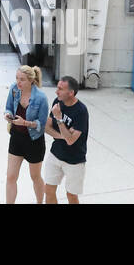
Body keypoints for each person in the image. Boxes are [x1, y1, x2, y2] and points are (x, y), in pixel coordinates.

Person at [4, 65, 50, 204]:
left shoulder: (41, 98)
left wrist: (25, 123)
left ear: (31, 80)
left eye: (22, 79)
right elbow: (8, 107)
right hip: (16, 138)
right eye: (17, 78)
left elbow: (41, 124)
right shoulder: (14, 89)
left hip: (34, 141)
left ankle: (39, 202)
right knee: (11, 176)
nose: (18, 82)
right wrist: (8, 114)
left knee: (35, 176)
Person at [43, 75, 89, 204]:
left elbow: (71, 141)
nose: (57, 91)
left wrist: (59, 119)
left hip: (75, 160)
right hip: (56, 154)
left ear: (71, 93)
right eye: (57, 87)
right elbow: (47, 127)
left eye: (61, 89)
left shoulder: (81, 111)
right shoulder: (57, 103)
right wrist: (64, 135)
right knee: (49, 190)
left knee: (71, 196)